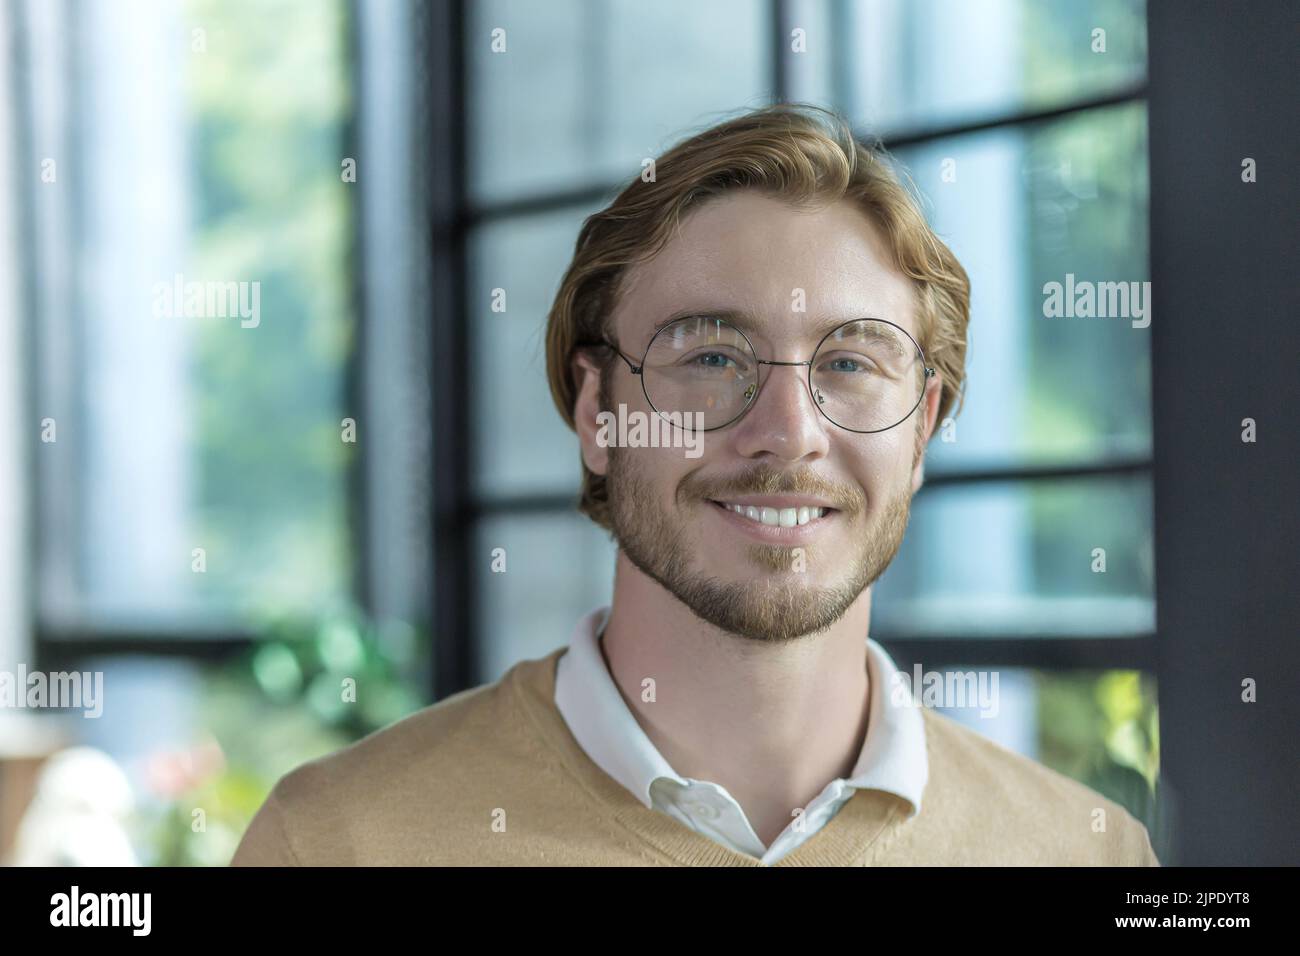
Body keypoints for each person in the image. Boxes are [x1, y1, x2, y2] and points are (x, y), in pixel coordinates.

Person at [231, 103, 1159, 866]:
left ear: (920, 427)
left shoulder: (1088, 853)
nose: (788, 433)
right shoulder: (335, 844)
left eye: (849, 362)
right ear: (597, 413)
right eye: (712, 355)